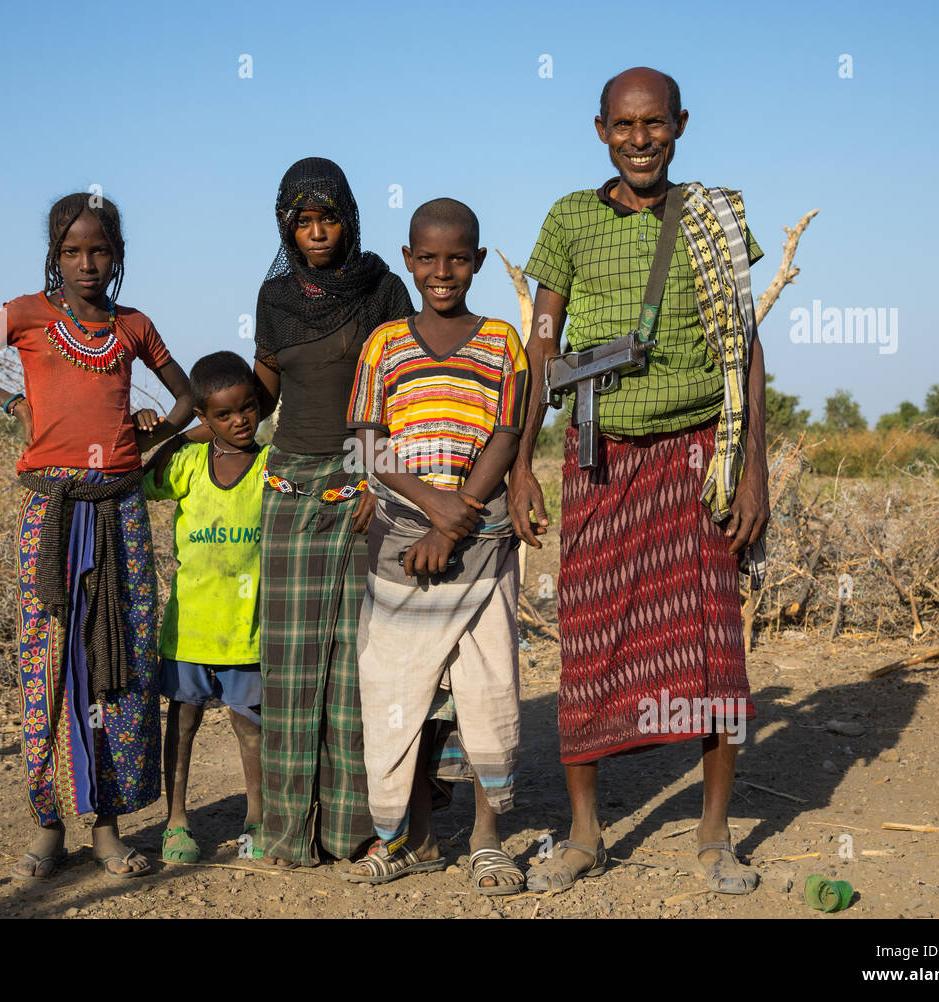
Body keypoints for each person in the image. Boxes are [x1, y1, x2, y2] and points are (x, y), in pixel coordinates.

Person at [509, 68, 769, 894]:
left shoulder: (714, 218)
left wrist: (754, 465)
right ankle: (587, 832)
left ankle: (714, 835)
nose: (641, 139)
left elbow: (747, 347)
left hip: (700, 460)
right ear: (600, 130)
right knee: (589, 642)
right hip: (600, 458)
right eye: (624, 126)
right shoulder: (569, 220)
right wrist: (520, 461)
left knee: (715, 649)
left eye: (655, 123)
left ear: (681, 124)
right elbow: (542, 347)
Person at [0, 193, 195, 880]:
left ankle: (107, 827)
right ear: (55, 255)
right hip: (49, 512)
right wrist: (13, 403)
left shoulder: (133, 326)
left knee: (116, 661)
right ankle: (48, 825)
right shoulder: (24, 315)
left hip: (119, 509)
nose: (88, 263)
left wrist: (155, 429)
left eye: (100, 250)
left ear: (117, 256)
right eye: (74, 251)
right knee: (48, 665)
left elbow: (188, 396)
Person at [345, 199, 529, 894]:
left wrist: (456, 519)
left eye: (458, 258)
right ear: (408, 259)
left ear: (479, 261)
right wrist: (432, 507)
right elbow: (365, 441)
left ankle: (486, 839)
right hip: (401, 539)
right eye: (428, 258)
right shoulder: (385, 343)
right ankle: (408, 837)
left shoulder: (503, 342)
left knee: (486, 686)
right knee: (400, 691)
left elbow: (507, 435)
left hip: (480, 541)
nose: (443, 271)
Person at [253, 157, 415, 868]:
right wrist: (194, 427)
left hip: (361, 477)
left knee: (357, 663)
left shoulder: (383, 288)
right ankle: (287, 835)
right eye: (303, 221)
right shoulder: (275, 297)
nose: (317, 232)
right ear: (287, 226)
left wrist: (383, 483)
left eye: (329, 217)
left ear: (349, 216)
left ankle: (351, 830)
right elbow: (260, 388)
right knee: (288, 665)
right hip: (288, 479)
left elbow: (407, 389)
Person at [143, 351, 269, 864]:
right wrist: (173, 434)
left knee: (251, 729)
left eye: (247, 408)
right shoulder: (189, 464)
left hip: (247, 631)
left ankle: (258, 819)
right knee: (184, 723)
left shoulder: (271, 466)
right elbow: (142, 474)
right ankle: (176, 821)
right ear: (203, 419)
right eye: (223, 414)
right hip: (190, 627)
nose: (239, 420)